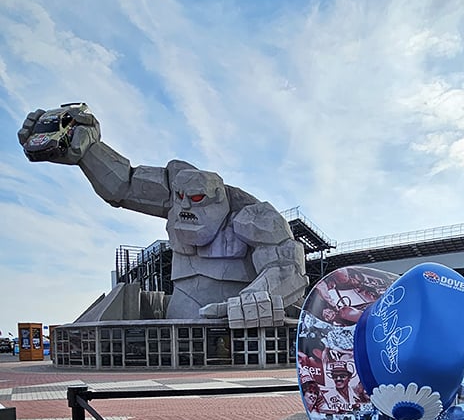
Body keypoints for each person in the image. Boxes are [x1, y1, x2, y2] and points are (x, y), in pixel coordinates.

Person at [17, 105, 308, 327]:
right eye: (180, 198)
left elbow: (289, 266)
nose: (184, 207)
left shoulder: (251, 214)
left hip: (232, 320)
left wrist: (256, 296)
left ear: (218, 197)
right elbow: (124, 184)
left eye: (196, 199)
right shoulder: (172, 194)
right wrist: (87, 149)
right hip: (181, 312)